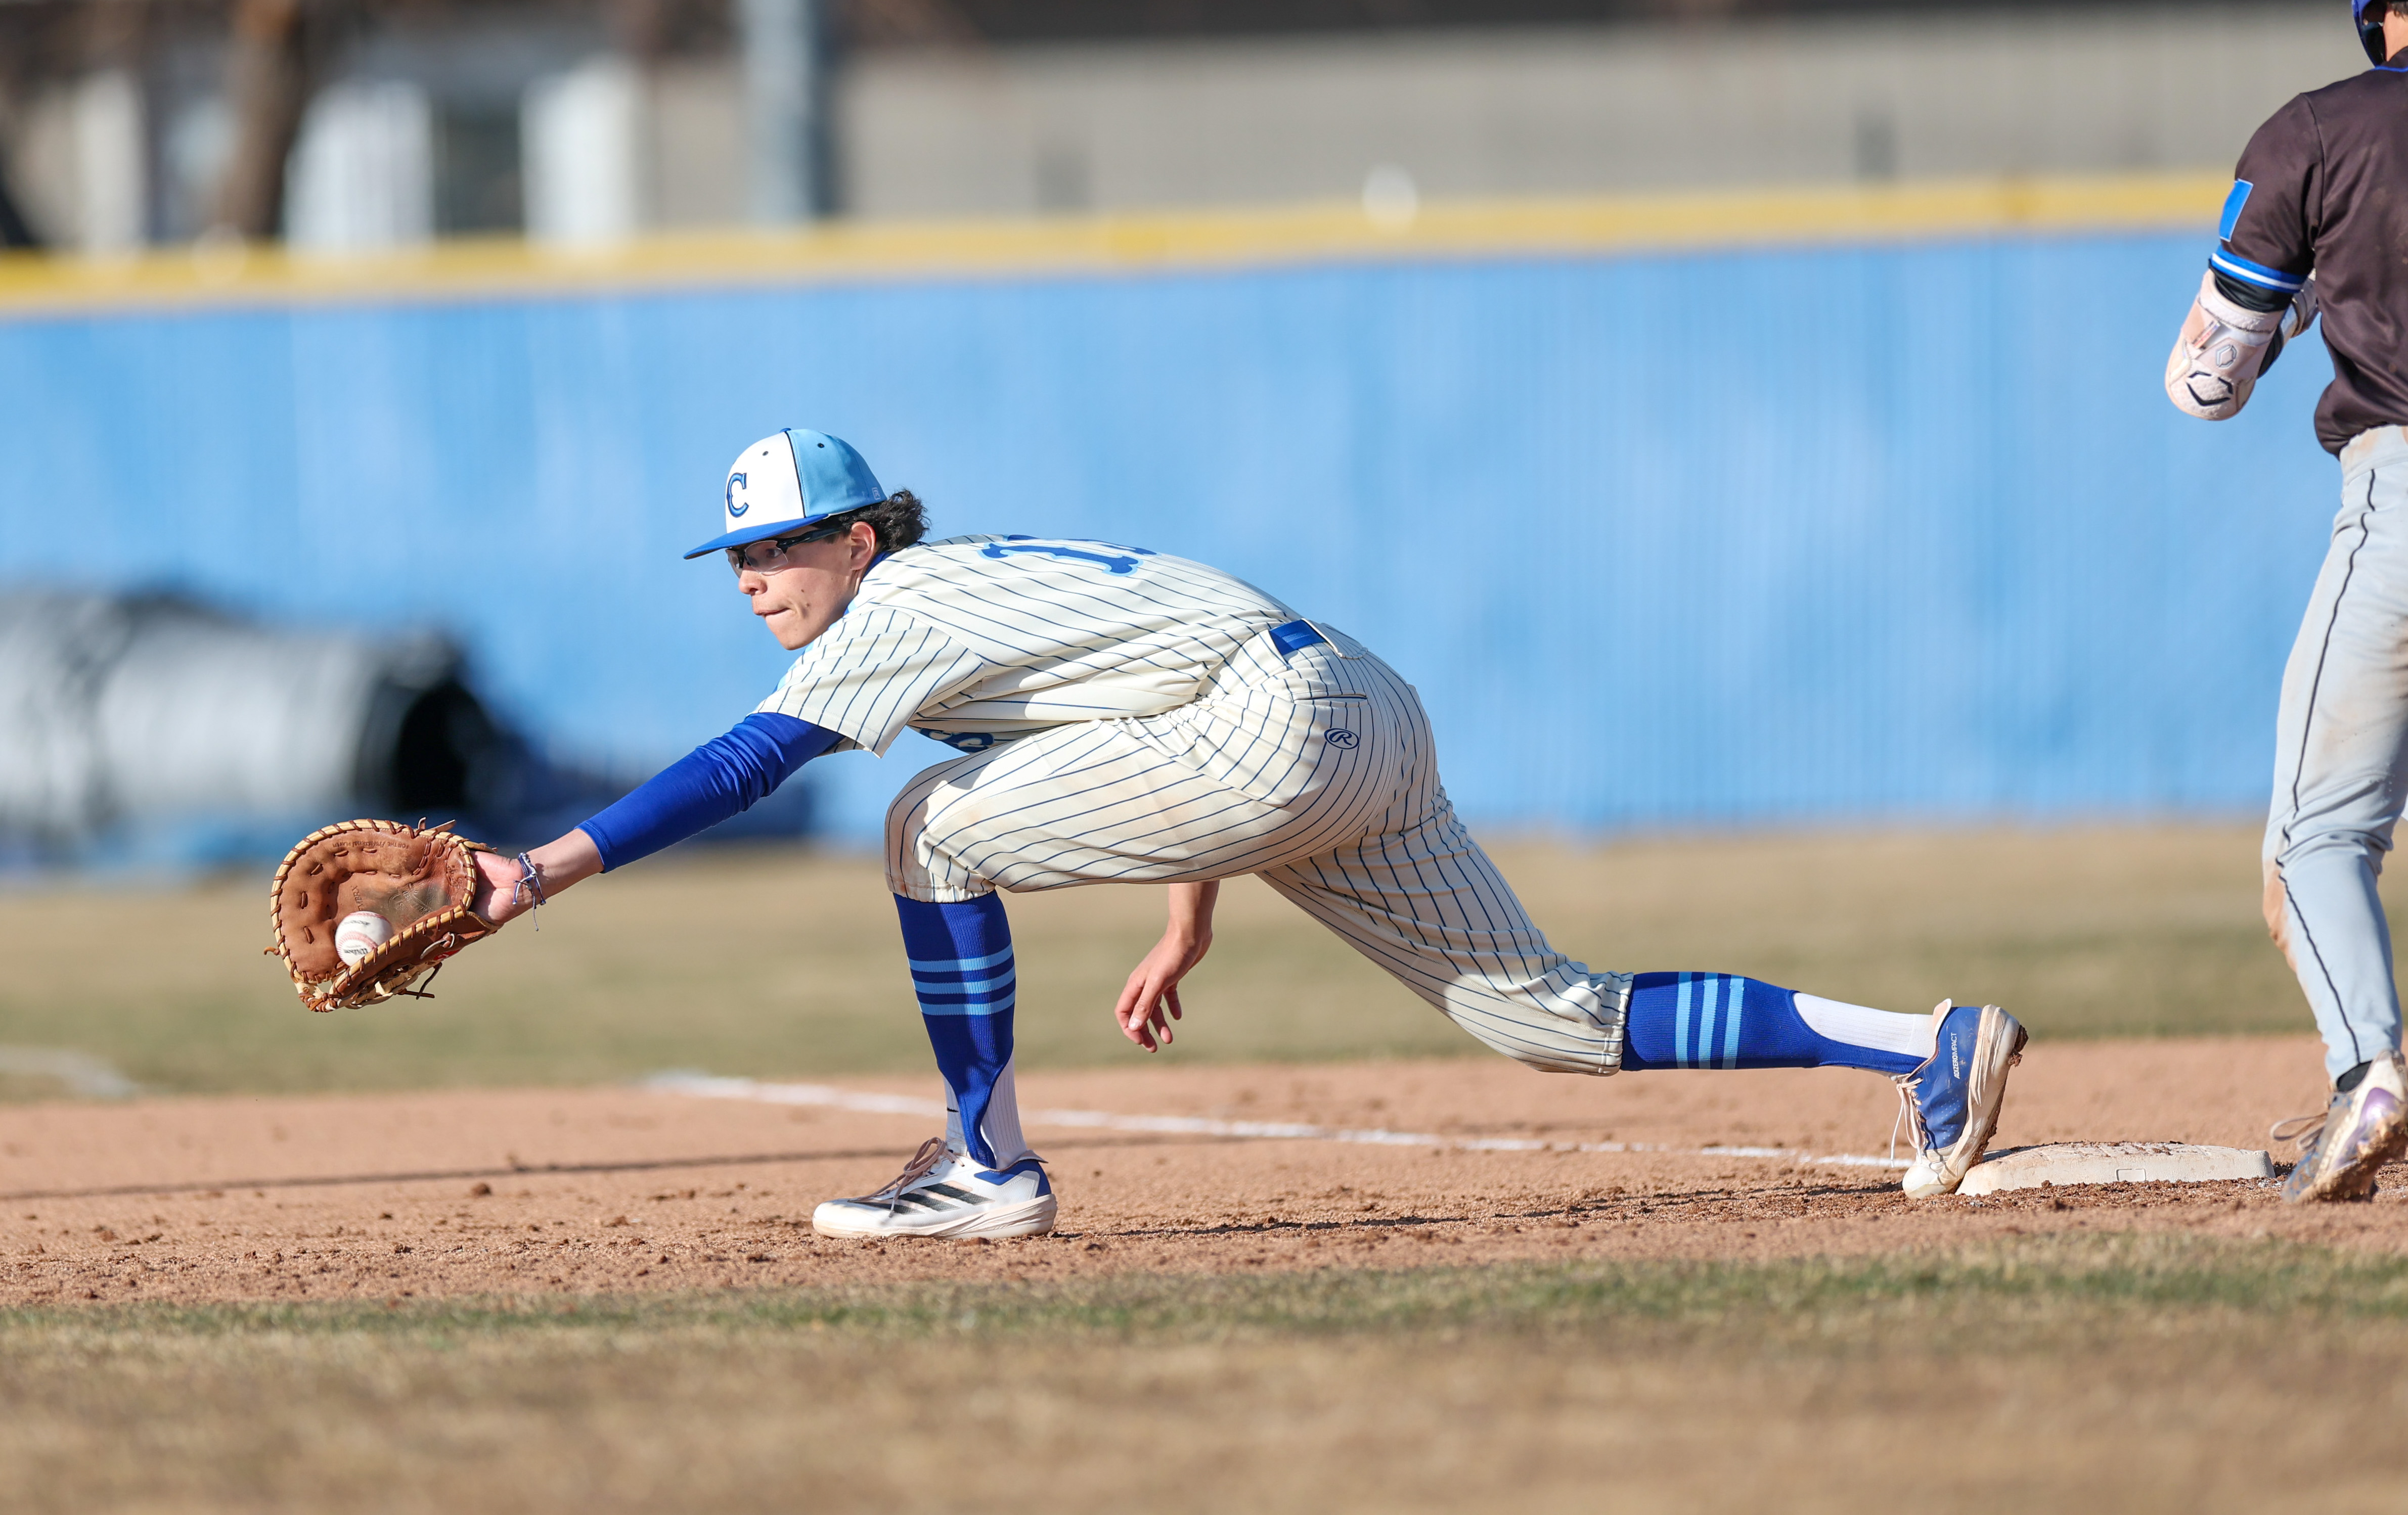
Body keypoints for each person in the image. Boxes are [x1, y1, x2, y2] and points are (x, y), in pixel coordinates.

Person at [469, 427, 2027, 1238]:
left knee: (925, 831)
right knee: (1547, 1019)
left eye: (783, 544)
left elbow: (751, 765)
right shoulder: (975, 592)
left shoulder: (905, 599)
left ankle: (984, 1167)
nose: (756, 576)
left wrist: (538, 870)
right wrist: (1191, 914)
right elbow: (1154, 698)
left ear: (860, 537)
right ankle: (1926, 1048)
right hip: (1354, 707)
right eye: (736, 555)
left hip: (1264, 727)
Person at [2161, 0, 2408, 1203]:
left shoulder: (2313, 133)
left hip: (2400, 500)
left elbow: (2201, 385)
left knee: (2311, 841)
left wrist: (2304, 295)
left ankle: (2368, 1069)